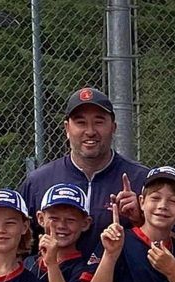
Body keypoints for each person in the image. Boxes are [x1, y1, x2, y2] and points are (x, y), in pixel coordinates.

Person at [19, 87, 149, 257]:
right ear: (67, 128)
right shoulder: (39, 182)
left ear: (113, 127)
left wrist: (140, 219)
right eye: (80, 122)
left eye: (99, 121)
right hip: (54, 281)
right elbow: (18, 244)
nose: (90, 131)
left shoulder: (141, 180)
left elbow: (172, 241)